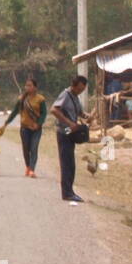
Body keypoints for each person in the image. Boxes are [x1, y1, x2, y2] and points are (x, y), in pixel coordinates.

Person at [51, 74, 89, 203]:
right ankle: (67, 193)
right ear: (73, 85)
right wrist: (69, 123)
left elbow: (78, 112)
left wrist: (86, 116)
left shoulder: (75, 97)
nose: (80, 92)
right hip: (64, 131)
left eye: (82, 90)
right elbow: (54, 110)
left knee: (71, 163)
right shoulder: (65, 95)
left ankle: (70, 191)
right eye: (79, 89)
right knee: (66, 162)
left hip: (70, 131)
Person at [3, 78, 47, 178]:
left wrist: (39, 124)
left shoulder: (41, 99)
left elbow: (44, 113)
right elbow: (15, 112)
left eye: (30, 85)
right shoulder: (21, 99)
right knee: (26, 149)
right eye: (26, 85)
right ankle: (27, 166)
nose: (27, 87)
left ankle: (32, 169)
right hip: (24, 128)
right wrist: (7, 122)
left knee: (34, 148)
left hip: (36, 129)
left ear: (35, 87)